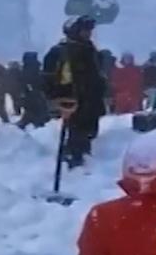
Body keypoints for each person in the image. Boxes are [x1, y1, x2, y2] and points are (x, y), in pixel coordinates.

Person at [44, 17, 109, 165]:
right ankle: (73, 159)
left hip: (91, 99)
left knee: (90, 131)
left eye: (89, 30)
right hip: (71, 99)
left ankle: (83, 156)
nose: (88, 34)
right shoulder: (61, 51)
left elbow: (98, 74)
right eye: (84, 30)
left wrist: (103, 90)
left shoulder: (91, 50)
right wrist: (55, 96)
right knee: (76, 131)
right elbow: (49, 77)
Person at [13, 51, 53, 128]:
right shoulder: (34, 67)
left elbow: (28, 80)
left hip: (32, 92)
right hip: (34, 92)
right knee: (36, 108)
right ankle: (39, 123)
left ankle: (38, 124)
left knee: (34, 108)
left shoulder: (29, 68)